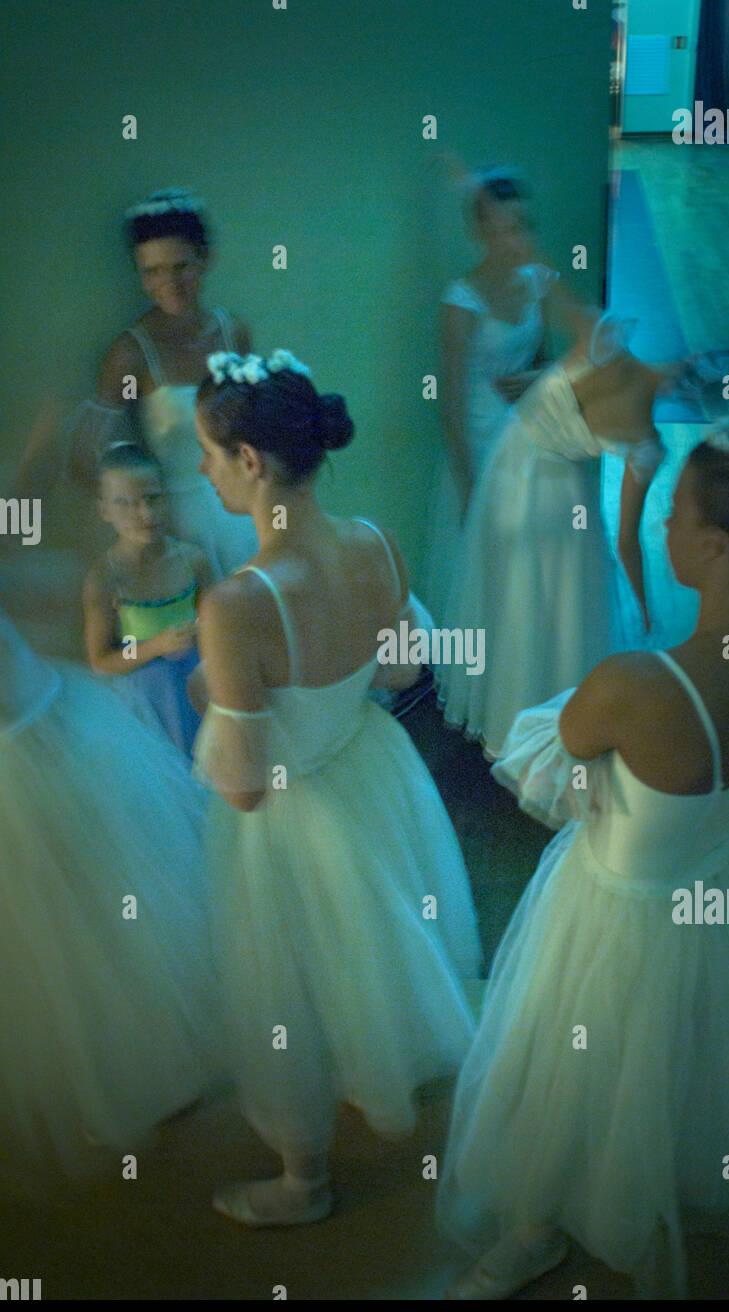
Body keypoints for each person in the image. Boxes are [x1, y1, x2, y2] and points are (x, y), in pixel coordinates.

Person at [436, 421, 729, 1299]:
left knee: (580, 1068)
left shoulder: (639, 684)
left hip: (626, 907)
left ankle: (536, 1226)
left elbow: (545, 752)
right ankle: (676, 1182)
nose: (660, 530)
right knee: (693, 1054)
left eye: (675, 515)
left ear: (719, 546)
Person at [190, 348, 481, 1225]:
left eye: (208, 453)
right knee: (369, 948)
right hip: (373, 773)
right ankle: (374, 1072)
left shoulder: (236, 603)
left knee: (286, 983)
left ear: (248, 461)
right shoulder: (377, 543)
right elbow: (398, 674)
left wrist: (212, 696)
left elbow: (242, 789)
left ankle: (302, 1180)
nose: (203, 471)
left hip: (291, 808)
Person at [0, 601, 218, 1187]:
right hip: (43, 739)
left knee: (87, 933)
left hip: (48, 739)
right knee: (72, 940)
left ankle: (133, 1081)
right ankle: (124, 1082)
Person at [436, 299, 674, 758]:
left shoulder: (605, 342)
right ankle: (536, 723)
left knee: (528, 596)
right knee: (548, 597)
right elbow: (627, 542)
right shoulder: (643, 430)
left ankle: (522, 723)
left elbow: (627, 540)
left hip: (518, 470)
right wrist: (645, 611)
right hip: (543, 485)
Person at [71, 188, 258, 577]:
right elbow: (84, 458)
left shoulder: (234, 333)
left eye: (180, 266)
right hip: (176, 526)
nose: (168, 282)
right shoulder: (132, 352)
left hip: (243, 513)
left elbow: (259, 429)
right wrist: (137, 519)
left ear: (205, 259)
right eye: (152, 271)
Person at [426, 164, 553, 620]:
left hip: (531, 441)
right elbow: (450, 409)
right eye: (504, 229)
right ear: (480, 230)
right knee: (487, 577)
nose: (516, 239)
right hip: (479, 448)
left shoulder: (538, 282)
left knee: (531, 568)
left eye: (523, 226)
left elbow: (548, 363)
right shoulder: (461, 300)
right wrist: (468, 487)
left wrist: (538, 379)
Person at [83, 443, 212, 760]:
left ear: (165, 495)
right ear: (104, 510)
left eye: (152, 498)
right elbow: (100, 661)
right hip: (146, 701)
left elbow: (217, 628)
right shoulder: (104, 578)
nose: (144, 514)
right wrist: (157, 645)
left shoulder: (193, 560)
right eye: (125, 503)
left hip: (201, 687)